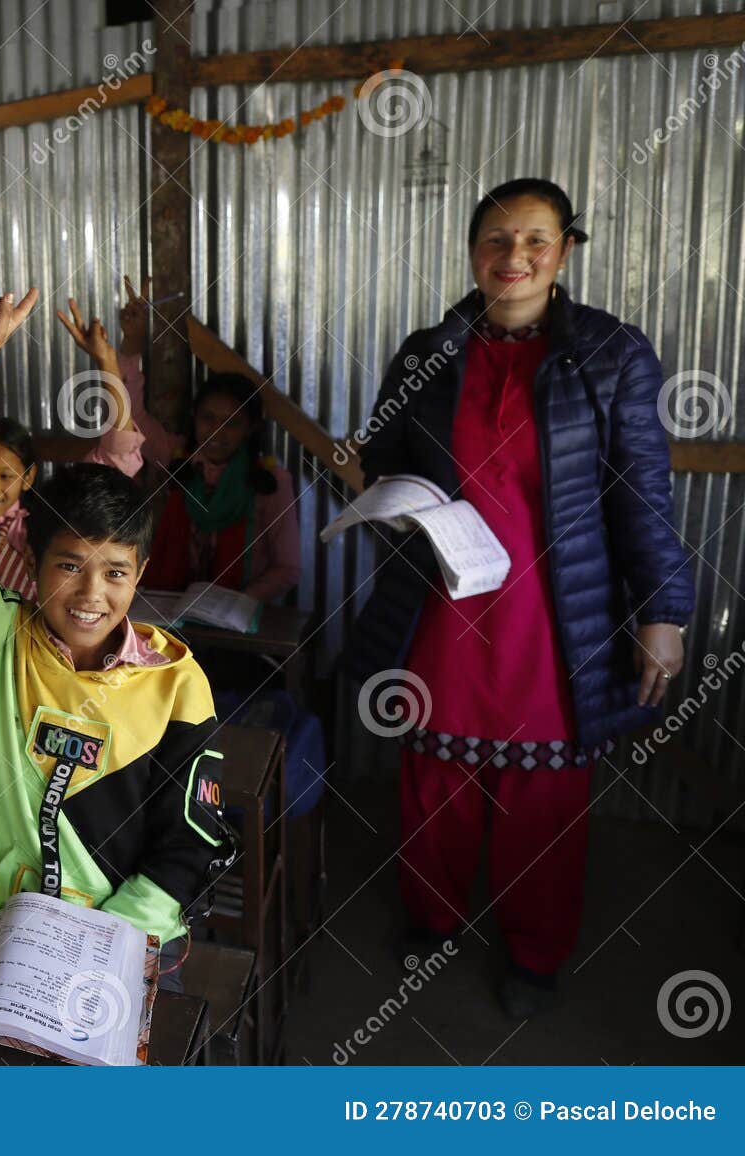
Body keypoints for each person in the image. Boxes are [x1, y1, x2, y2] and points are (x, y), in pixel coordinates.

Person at [350, 178, 695, 1017]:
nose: (516, 257)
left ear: (565, 249)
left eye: (536, 239)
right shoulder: (428, 351)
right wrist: (393, 501)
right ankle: (432, 922)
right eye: (497, 240)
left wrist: (663, 611)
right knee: (435, 774)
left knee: (544, 792)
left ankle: (535, 954)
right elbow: (383, 455)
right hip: (446, 600)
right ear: (474, 252)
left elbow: (643, 491)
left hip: (554, 611)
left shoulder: (612, 353)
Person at [0, 288, 237, 963]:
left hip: (122, 938)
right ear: (33, 562)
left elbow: (192, 840)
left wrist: (106, 938)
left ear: (140, 574)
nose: (90, 595)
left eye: (115, 572)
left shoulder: (177, 684)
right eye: (69, 566)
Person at [116, 277, 300, 602]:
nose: (216, 431)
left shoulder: (269, 481)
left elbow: (287, 568)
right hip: (171, 612)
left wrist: (234, 603)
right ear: (194, 418)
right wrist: (132, 342)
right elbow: (131, 415)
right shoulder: (176, 458)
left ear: (250, 428)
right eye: (208, 418)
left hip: (235, 618)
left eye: (232, 423)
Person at [0, 298, 144, 600]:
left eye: (6, 476)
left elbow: (118, 452)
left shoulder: (49, 524)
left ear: (29, 477)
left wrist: (107, 361)